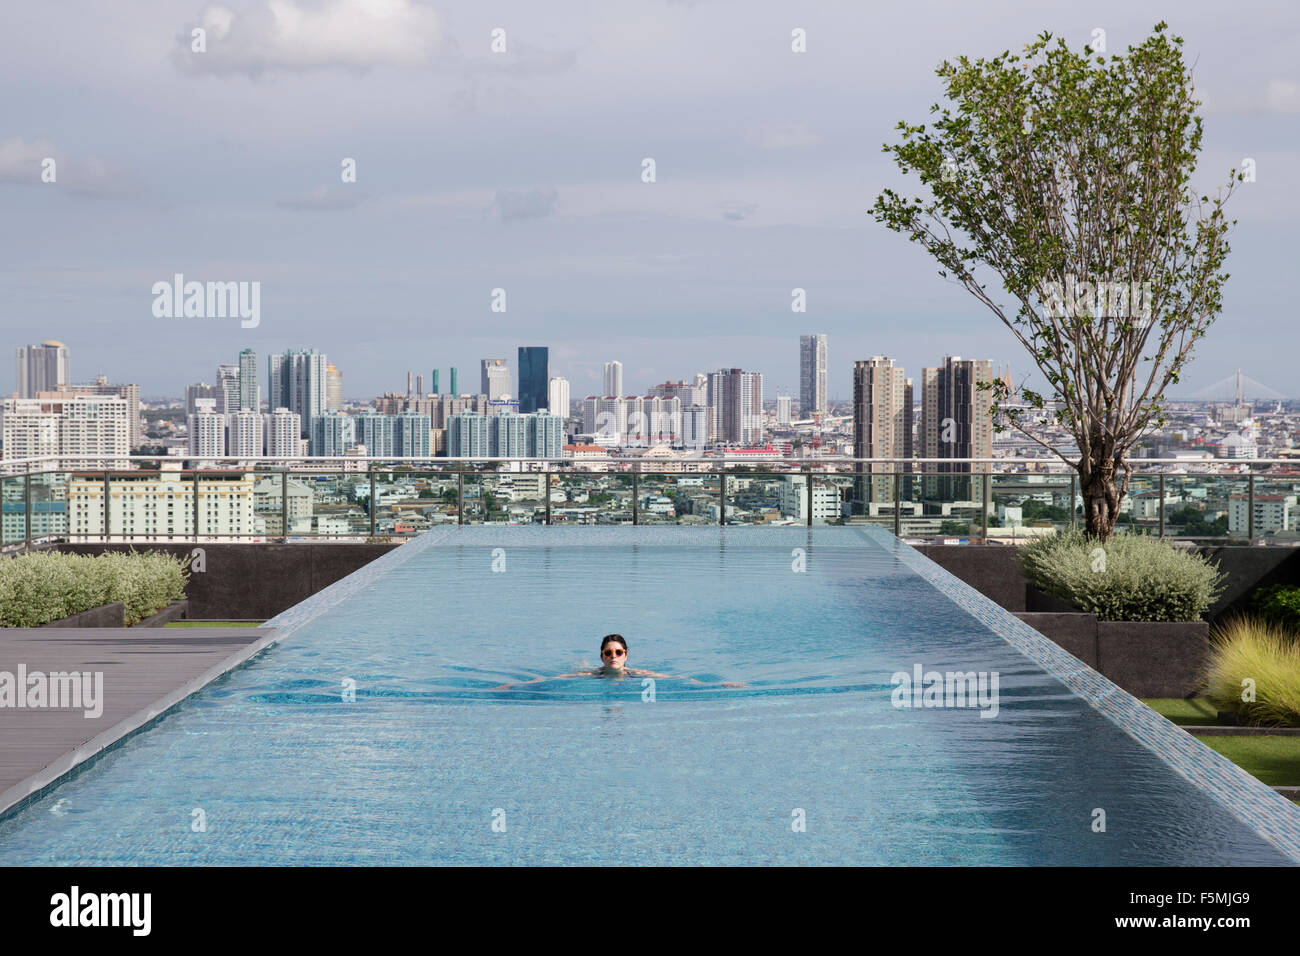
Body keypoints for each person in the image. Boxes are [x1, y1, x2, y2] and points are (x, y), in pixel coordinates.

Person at [492, 634, 744, 689]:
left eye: (618, 652)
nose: (614, 657)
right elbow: (553, 679)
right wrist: (513, 686)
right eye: (608, 653)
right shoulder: (593, 675)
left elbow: (679, 679)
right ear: (601, 656)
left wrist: (721, 686)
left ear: (626, 655)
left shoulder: (637, 673)